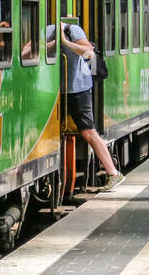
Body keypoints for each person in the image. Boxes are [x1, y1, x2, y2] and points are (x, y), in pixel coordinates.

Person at [50, 21, 124, 201]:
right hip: (58, 90)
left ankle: (114, 173)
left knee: (89, 132)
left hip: (78, 89)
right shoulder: (48, 30)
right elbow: (27, 51)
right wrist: (54, 42)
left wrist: (66, 42)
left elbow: (88, 52)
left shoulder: (72, 29)